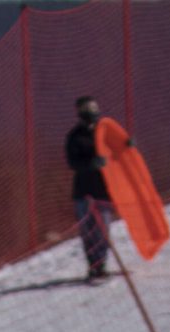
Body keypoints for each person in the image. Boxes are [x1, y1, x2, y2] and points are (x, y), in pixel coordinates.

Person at [66, 97, 115, 282]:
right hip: (83, 190)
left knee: (102, 229)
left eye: (94, 107)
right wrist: (90, 164)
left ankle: (101, 264)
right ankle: (93, 266)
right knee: (88, 231)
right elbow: (72, 162)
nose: (92, 111)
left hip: (103, 189)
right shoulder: (75, 136)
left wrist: (128, 146)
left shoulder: (105, 132)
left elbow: (117, 151)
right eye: (87, 108)